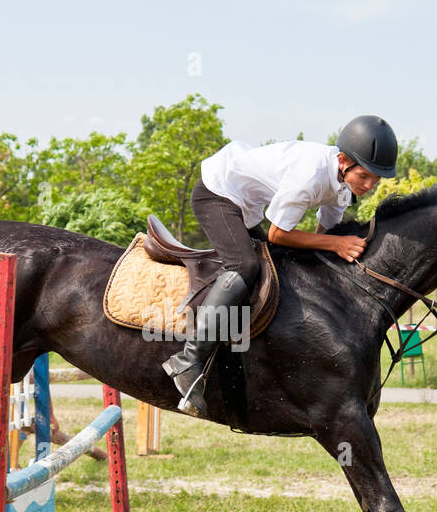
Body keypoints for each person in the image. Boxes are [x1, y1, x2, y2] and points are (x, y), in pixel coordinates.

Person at [163, 114, 399, 414]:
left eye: (375, 180)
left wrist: (332, 250)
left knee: (276, 269)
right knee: (245, 267)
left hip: (244, 207)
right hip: (216, 193)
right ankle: (188, 361)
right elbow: (278, 234)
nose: (368, 185)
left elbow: (323, 234)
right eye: (364, 177)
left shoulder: (342, 187)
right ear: (343, 161)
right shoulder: (309, 176)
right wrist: (336, 244)